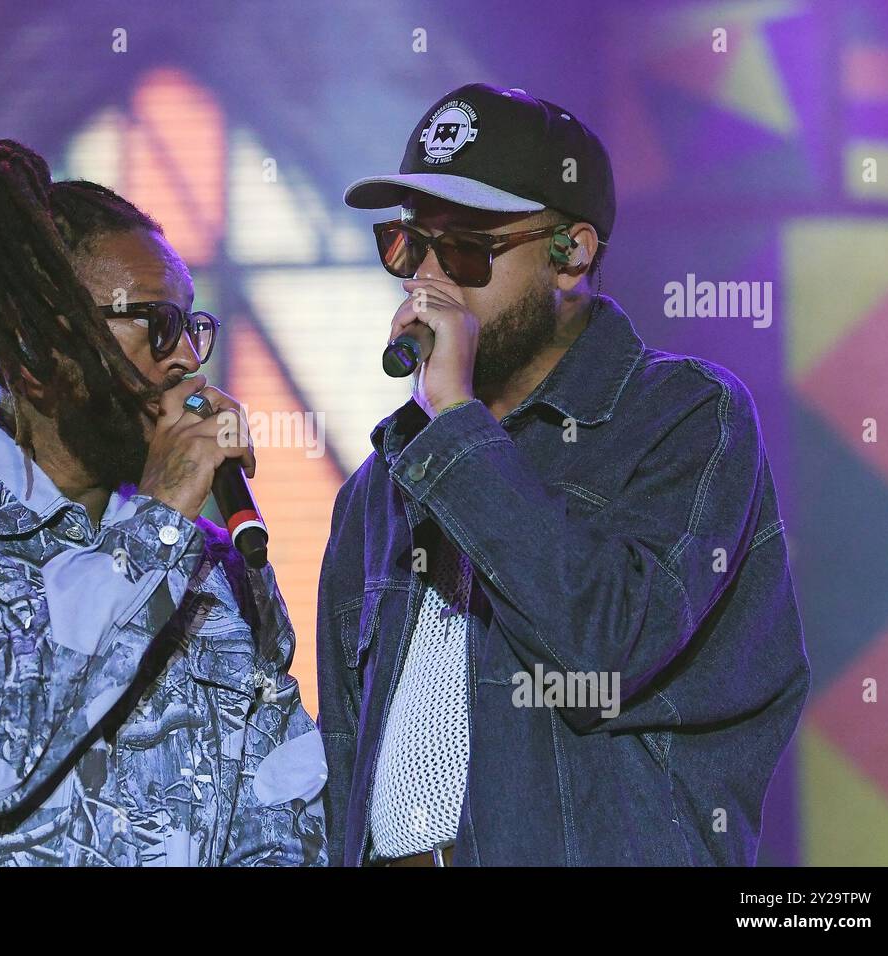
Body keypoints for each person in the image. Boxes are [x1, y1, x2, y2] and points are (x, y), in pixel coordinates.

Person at [0, 46, 326, 866]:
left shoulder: (209, 561)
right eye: (154, 325)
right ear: (34, 354)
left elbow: (280, 804)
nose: (186, 360)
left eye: (192, 326)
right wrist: (154, 524)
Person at [316, 83, 809, 866]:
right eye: (409, 244)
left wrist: (456, 427)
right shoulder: (380, 487)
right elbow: (345, 749)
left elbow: (608, 643)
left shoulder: (684, 416)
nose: (427, 280)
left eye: (469, 246)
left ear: (572, 253)